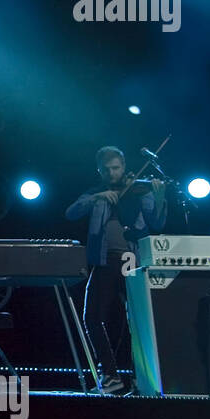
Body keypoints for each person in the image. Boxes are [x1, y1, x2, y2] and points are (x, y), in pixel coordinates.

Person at [64, 146, 167, 393]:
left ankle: (141, 378)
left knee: (138, 320)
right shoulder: (97, 192)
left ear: (123, 166)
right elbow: (71, 212)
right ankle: (110, 375)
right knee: (93, 317)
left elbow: (158, 223)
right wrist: (98, 197)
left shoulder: (139, 191)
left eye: (116, 168)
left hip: (132, 259)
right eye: (107, 169)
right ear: (99, 170)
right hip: (105, 260)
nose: (113, 173)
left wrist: (160, 196)